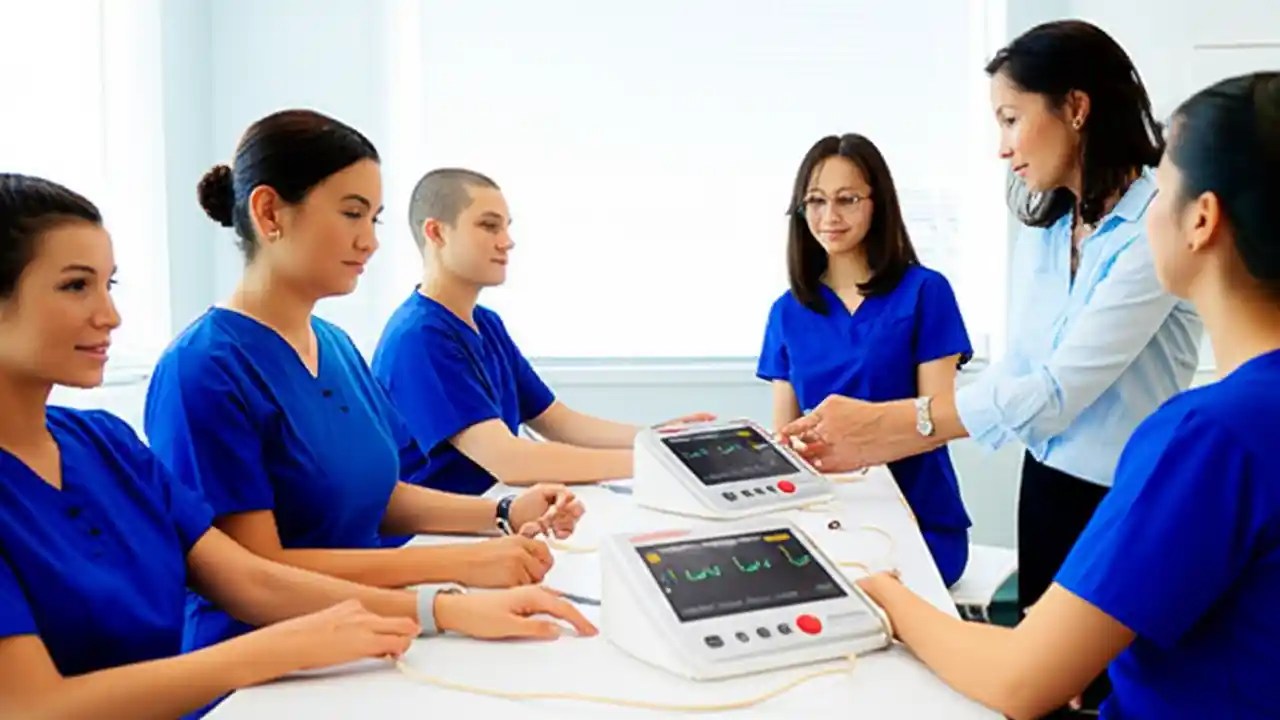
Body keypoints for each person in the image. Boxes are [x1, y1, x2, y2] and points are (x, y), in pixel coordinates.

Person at [0, 173, 596, 720]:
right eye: (76, 286)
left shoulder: (104, 445)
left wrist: (443, 610)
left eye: (109, 285)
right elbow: (32, 707)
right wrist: (263, 653)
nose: (110, 315)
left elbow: (250, 580)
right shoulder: (205, 365)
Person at [781, 23, 1202, 708]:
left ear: (1075, 107)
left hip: (1122, 497)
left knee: (1095, 690)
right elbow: (1019, 372)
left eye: (1011, 119)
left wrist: (900, 423)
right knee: (1042, 688)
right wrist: (896, 429)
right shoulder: (1049, 227)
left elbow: (1060, 390)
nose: (1001, 146)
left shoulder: (1155, 225)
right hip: (1046, 485)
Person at [857, 70, 1280, 720]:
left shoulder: (1210, 437)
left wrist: (881, 591)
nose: (1144, 207)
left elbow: (1020, 682)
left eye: (1161, 186)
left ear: (1202, 219)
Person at [144, 111, 588, 659]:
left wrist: (502, 514)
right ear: (268, 212)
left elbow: (380, 496)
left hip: (376, 623)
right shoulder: (204, 369)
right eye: (353, 214)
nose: (371, 242)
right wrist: (454, 565)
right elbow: (255, 570)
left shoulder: (334, 345)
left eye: (374, 218)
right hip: (268, 658)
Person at [371, 168, 712, 497]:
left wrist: (657, 438)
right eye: (489, 226)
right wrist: (660, 462)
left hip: (494, 515)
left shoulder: (486, 324)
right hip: (432, 538)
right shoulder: (419, 338)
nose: (507, 242)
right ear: (437, 232)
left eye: (506, 227)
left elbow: (557, 421)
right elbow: (509, 460)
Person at [758, 134, 973, 586]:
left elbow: (940, 422)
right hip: (827, 519)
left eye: (847, 200)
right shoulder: (787, 312)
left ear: (878, 204)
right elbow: (786, 441)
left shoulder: (925, 292)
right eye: (815, 201)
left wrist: (863, 441)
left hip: (920, 520)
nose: (829, 216)